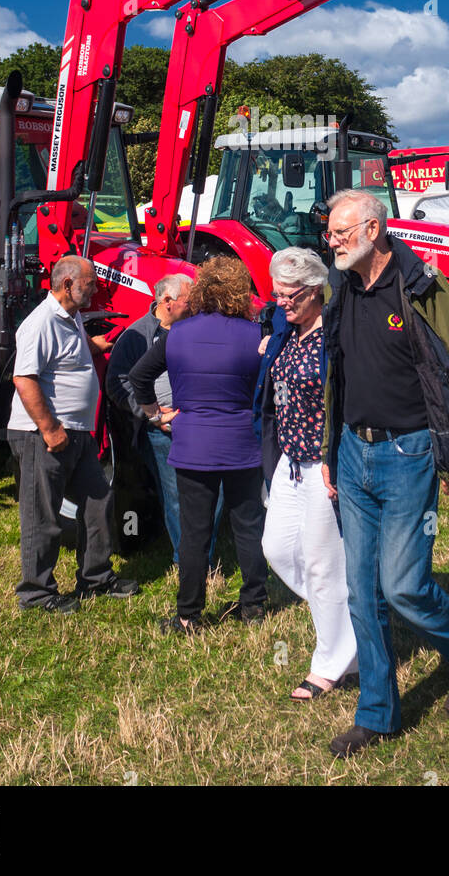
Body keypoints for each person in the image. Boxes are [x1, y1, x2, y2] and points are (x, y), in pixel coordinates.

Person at [320, 190, 449, 758]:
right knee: (361, 592)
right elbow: (335, 376)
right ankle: (376, 712)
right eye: (329, 233)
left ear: (373, 229)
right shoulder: (338, 289)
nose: (332, 241)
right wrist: (329, 452)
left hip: (409, 455)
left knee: (403, 586)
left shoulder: (421, 287)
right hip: (352, 452)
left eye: (341, 233)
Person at [129, 256, 267, 634]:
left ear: (202, 291)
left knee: (194, 532)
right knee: (249, 525)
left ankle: (189, 614)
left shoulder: (177, 334)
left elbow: (139, 375)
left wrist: (155, 414)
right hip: (242, 443)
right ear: (241, 292)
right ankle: (254, 602)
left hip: (193, 444)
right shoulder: (255, 336)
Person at [7, 255, 140, 612]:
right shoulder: (41, 323)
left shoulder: (71, 318)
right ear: (67, 284)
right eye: (90, 284)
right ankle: (36, 592)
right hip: (44, 435)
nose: (96, 290)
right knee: (43, 514)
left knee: (99, 502)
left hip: (78, 434)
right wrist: (50, 429)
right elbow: (24, 379)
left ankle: (95, 577)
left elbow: (68, 358)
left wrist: (99, 345)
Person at [256, 247, 357, 701]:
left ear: (316, 291)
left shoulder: (337, 335)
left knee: (321, 565)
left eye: (290, 295)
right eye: (277, 294)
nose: (282, 302)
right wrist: (269, 336)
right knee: (275, 549)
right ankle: (350, 616)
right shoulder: (285, 326)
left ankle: (330, 664)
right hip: (287, 461)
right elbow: (267, 321)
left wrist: (338, 455)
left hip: (321, 464)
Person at [105, 273, 222, 561]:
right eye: (189, 300)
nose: (195, 305)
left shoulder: (196, 328)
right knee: (177, 497)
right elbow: (117, 382)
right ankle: (190, 563)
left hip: (202, 424)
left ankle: (203, 551)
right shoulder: (137, 335)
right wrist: (151, 414)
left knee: (215, 492)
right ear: (167, 302)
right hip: (163, 431)